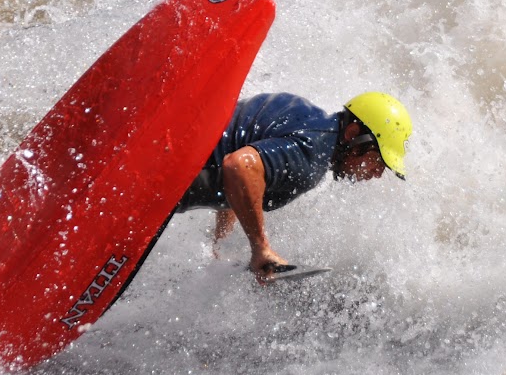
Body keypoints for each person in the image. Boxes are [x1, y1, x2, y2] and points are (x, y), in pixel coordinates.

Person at [175, 91, 413, 276]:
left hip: (174, 142)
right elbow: (239, 168)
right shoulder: (311, 154)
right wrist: (261, 247)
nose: (377, 174)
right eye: (377, 161)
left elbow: (238, 174)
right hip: (167, 175)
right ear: (352, 134)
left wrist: (221, 243)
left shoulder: (310, 118)